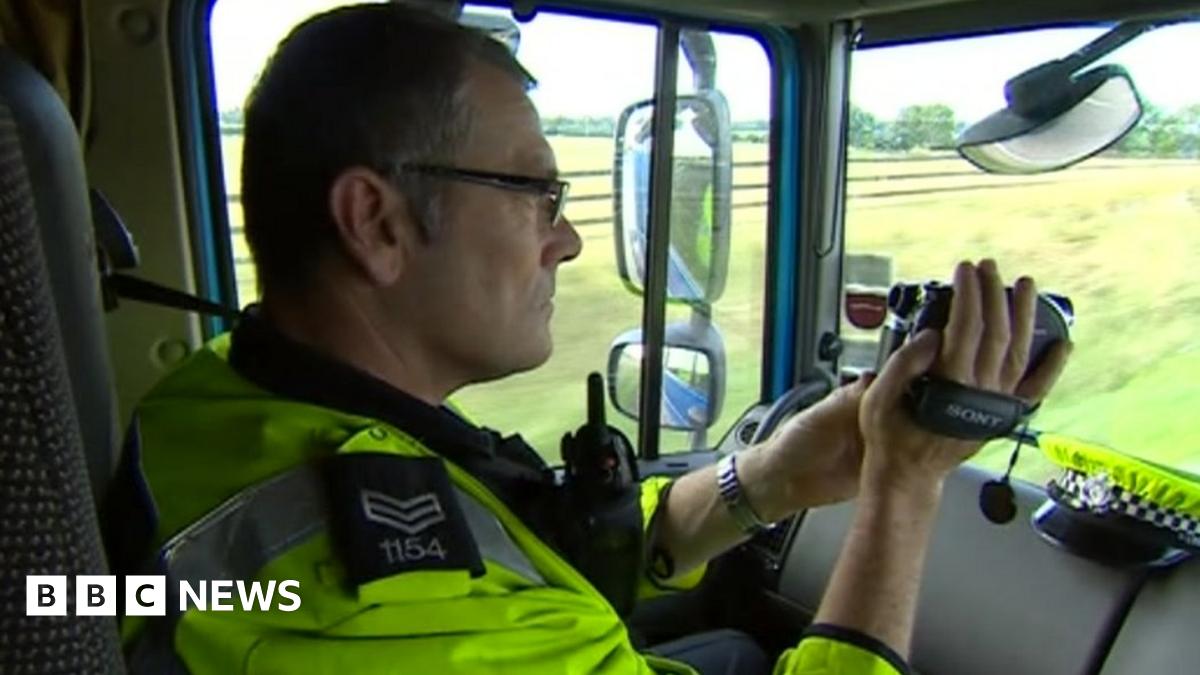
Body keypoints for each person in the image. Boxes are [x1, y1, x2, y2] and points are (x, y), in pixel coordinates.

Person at [117, 4, 1071, 674]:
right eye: (534, 192)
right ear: (377, 222)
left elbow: (524, 544)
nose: (566, 238)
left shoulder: (223, 397)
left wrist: (768, 477)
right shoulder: (377, 601)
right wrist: (907, 488)